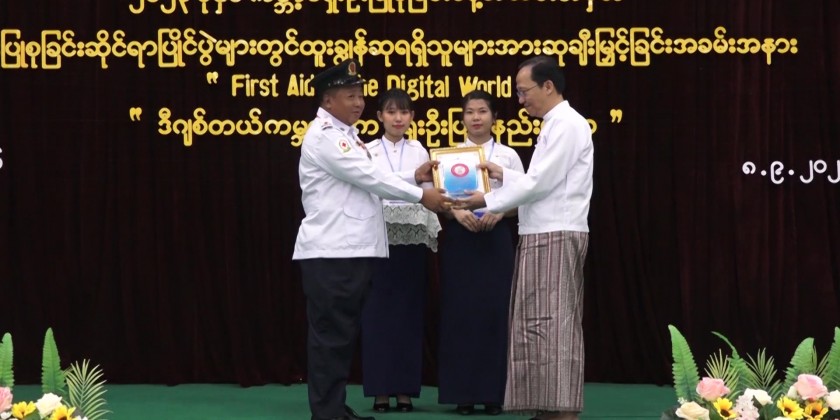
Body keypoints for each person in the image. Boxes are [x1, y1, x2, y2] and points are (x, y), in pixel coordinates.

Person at [293, 59, 450, 420]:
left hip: (349, 250)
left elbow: (373, 176)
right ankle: (327, 413)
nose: (359, 102)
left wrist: (414, 175)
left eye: (360, 95)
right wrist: (421, 195)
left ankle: (334, 408)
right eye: (350, 96)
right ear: (328, 100)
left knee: (342, 337)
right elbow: (369, 177)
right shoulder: (325, 137)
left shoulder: (346, 135)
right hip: (333, 252)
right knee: (331, 338)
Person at [454, 57, 594, 420]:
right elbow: (542, 183)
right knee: (536, 324)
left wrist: (485, 197)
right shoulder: (553, 124)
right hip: (540, 232)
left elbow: (540, 184)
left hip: (556, 231)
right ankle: (545, 406)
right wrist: (503, 176)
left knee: (555, 325)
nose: (520, 100)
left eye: (524, 91)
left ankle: (562, 410)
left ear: (548, 87)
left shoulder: (566, 125)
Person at [437, 90, 524, 416]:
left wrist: (499, 212)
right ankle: (463, 394)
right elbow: (443, 200)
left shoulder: (508, 156)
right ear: (462, 119)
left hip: (496, 239)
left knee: (495, 313)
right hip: (461, 239)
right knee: (461, 314)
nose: (476, 118)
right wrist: (456, 214)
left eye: (482, 111)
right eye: (470, 112)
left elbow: (523, 197)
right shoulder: (452, 154)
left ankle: (494, 395)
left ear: (494, 117)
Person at [360, 88, 440, 413]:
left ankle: (405, 391)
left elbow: (428, 190)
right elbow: (368, 185)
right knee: (377, 316)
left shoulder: (420, 149)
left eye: (404, 112)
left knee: (408, 314)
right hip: (377, 241)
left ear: (411, 117)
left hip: (410, 241)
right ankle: (380, 391)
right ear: (379, 116)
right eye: (391, 112)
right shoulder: (366, 151)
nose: (398, 118)